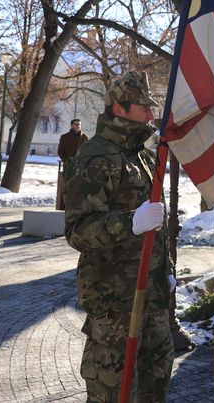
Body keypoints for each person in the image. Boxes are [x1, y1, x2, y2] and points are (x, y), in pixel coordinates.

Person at [63, 72, 172, 402]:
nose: (151, 114)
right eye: (143, 107)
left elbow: (157, 229)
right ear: (119, 109)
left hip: (150, 294)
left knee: (155, 384)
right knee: (112, 392)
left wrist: (164, 269)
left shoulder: (142, 155)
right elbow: (78, 231)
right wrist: (130, 223)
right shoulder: (96, 156)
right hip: (114, 302)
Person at [57, 119, 89, 210]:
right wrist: (67, 160)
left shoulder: (85, 137)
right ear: (71, 126)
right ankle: (66, 206)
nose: (78, 126)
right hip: (69, 167)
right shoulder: (64, 137)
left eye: (79, 124)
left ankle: (78, 207)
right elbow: (60, 152)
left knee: (79, 186)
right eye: (76, 124)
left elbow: (88, 151)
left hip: (81, 167)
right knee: (68, 186)